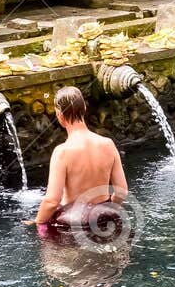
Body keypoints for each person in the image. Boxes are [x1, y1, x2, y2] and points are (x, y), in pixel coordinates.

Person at [30, 86, 128, 234]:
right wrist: (107, 211)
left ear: (59, 115)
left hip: (74, 224)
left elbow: (51, 201)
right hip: (106, 222)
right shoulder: (108, 144)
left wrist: (37, 222)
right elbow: (122, 191)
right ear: (84, 108)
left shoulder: (62, 152)